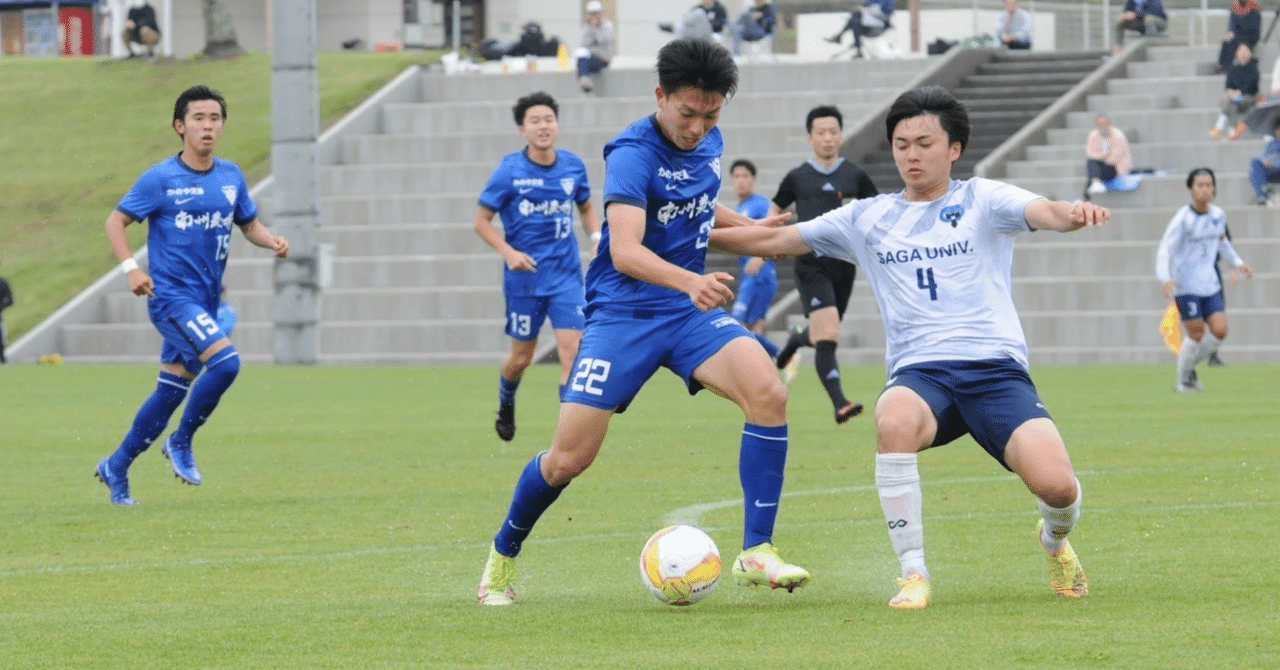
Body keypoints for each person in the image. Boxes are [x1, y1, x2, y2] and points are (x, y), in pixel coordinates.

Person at [712, 85, 1109, 609]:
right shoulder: (866, 217)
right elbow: (773, 241)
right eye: (901, 144)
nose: (911, 154)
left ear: (954, 149)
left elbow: (1045, 211)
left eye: (924, 143)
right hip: (923, 376)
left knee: (1058, 488)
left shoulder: (983, 200)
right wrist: (682, 234)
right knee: (892, 418)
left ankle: (1054, 541)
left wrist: (1072, 214)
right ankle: (914, 573)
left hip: (995, 373)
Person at [477, 38, 808, 606]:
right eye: (687, 114)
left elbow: (699, 206)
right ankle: (502, 558)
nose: (698, 128)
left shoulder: (708, 138)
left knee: (768, 391)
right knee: (568, 460)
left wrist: (759, 228)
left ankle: (757, 551)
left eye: (711, 115)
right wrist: (692, 279)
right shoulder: (631, 153)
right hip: (623, 316)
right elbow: (625, 249)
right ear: (660, 97)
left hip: (683, 314)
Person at [94, 85, 290, 506]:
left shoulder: (231, 176)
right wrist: (132, 270)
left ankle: (117, 466)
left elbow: (248, 224)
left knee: (170, 391)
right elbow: (115, 222)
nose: (208, 126)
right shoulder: (161, 178)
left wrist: (271, 239)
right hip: (170, 299)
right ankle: (181, 441)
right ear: (180, 126)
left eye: (215, 118)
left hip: (206, 302)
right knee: (227, 363)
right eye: (199, 118)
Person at [474, 91, 601, 443]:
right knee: (521, 358)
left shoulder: (573, 166)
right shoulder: (510, 170)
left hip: (566, 277)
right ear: (522, 130)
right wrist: (508, 252)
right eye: (535, 120)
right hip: (525, 281)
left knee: (573, 350)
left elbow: (587, 207)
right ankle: (506, 401)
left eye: (548, 118)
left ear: (557, 125)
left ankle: (568, 436)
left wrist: (595, 237)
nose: (543, 126)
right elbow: (482, 221)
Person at [769, 105, 878, 425]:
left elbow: (875, 214)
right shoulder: (798, 177)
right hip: (810, 264)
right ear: (809, 138)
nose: (828, 139)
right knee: (829, 334)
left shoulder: (855, 176)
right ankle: (840, 403)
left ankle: (796, 338)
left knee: (822, 334)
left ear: (841, 137)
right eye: (821, 133)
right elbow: (775, 211)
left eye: (833, 133)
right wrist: (763, 250)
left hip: (843, 266)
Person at [1156, 168, 1253, 393]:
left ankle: (1188, 367)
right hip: (1186, 285)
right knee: (1197, 333)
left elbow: (1223, 242)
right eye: (1200, 185)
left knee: (1220, 331)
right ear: (1191, 189)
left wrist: (1238, 263)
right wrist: (1165, 278)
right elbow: (1165, 250)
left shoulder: (1218, 215)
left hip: (1210, 284)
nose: (1206, 189)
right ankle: (1183, 380)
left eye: (1209, 185)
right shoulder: (1182, 219)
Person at [726, 159, 785, 371]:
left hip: (760, 277)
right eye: (736, 176)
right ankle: (764, 372)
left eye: (745, 176)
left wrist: (760, 258)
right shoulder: (739, 208)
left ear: (754, 180)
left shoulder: (760, 205)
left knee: (735, 324)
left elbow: (776, 230)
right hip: (751, 278)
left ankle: (784, 355)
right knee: (754, 329)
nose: (741, 181)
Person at [1210, 42, 1260, 140]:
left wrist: (1239, 92)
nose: (1243, 53)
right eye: (1241, 50)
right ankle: (1232, 131)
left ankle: (1221, 126)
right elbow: (1228, 85)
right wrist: (1230, 92)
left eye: (1246, 51)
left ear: (1250, 53)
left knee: (1232, 101)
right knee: (1231, 101)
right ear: (1237, 53)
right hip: (1234, 99)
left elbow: (1252, 85)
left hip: (1249, 98)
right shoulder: (1233, 69)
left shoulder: (1254, 69)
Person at [824, 0, 895, 59]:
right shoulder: (871, 1)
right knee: (855, 17)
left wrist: (869, 11)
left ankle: (840, 37)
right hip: (865, 25)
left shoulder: (889, 1)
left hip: (878, 27)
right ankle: (857, 50)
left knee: (855, 20)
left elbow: (887, 16)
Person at [1083, 114, 1132, 199]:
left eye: (1105, 123)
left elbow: (1115, 158)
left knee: (1094, 172)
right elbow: (1089, 153)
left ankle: (1086, 197)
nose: (1103, 126)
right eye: (1100, 124)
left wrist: (1100, 157)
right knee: (1091, 164)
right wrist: (1104, 155)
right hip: (1100, 164)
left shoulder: (1118, 135)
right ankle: (1095, 184)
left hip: (1115, 168)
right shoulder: (1093, 134)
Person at [576, 1, 615, 94]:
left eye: (596, 13)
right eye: (592, 14)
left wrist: (595, 29)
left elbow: (605, 39)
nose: (594, 16)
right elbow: (584, 43)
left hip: (603, 58)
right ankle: (585, 81)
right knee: (581, 59)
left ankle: (585, 79)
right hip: (590, 57)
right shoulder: (586, 27)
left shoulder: (607, 26)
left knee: (584, 62)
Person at [1217, 0, 1262, 73]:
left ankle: (1227, 67)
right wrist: (1231, 33)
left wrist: (1236, 34)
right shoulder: (1235, 8)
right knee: (1226, 42)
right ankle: (1223, 66)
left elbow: (1253, 27)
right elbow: (1232, 25)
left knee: (1233, 42)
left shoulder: (1254, 7)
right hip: (1238, 36)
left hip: (1251, 36)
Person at [658, 0, 729, 42]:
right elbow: (690, 18)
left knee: (699, 12)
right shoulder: (699, 7)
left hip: (712, 31)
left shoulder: (719, 8)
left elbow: (721, 22)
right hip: (699, 31)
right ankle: (676, 27)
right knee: (682, 28)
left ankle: (674, 27)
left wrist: (709, 21)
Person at [1248, 117, 1280, 204]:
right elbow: (1261, 157)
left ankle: (1262, 194)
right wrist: (1265, 162)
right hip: (1271, 170)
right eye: (1278, 129)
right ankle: (1263, 193)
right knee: (1255, 164)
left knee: (1254, 174)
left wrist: (1274, 163)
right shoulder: (1271, 143)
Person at [0, 260, 12, 364]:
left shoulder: (3, 283)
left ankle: (3, 361)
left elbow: (10, 300)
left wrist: (1, 306)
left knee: (1, 340)